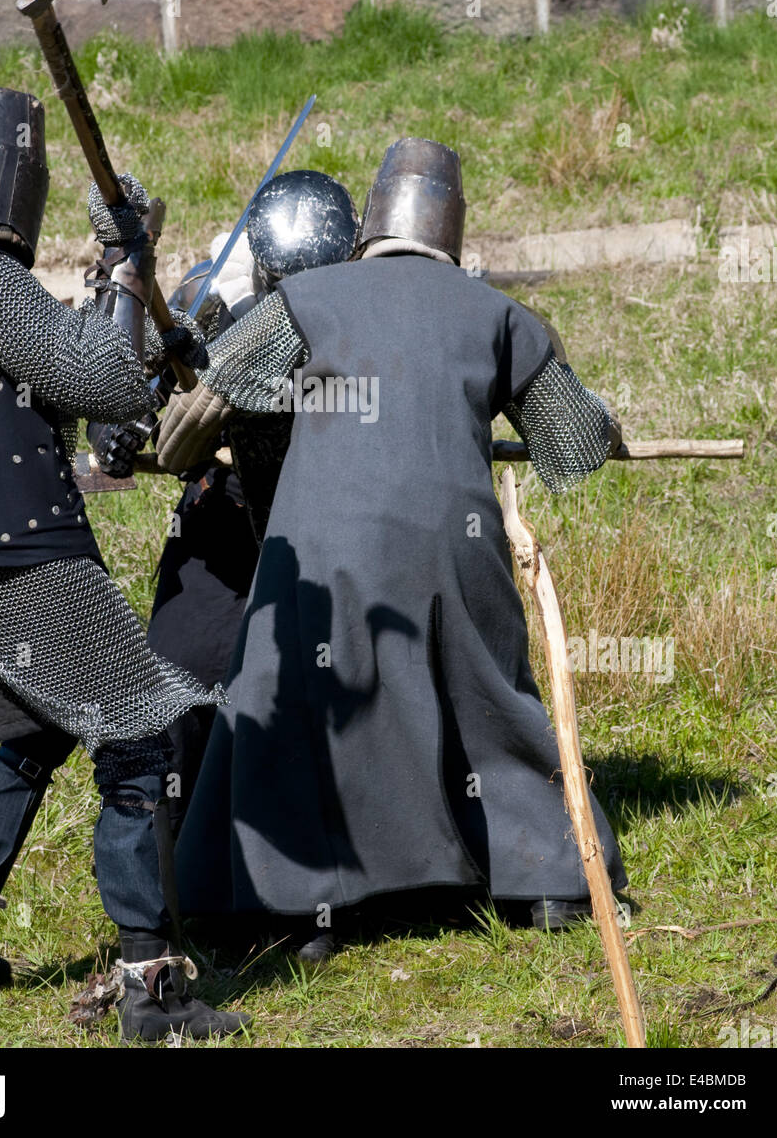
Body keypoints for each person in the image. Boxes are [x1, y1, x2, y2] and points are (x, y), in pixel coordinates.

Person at [158, 137, 627, 960]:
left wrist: (182, 443)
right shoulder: (498, 312)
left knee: (286, 694)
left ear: (368, 221)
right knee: (488, 691)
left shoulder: (306, 296)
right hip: (457, 547)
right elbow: (580, 444)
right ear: (453, 232)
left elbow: (195, 423)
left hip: (322, 542)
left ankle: (296, 906)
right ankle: (547, 881)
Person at [0, 84, 247, 1040]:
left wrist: (112, 345)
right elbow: (105, 376)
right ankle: (150, 985)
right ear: (14, 186)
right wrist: (124, 270)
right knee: (139, 741)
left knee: (36, 738)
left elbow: (16, 396)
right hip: (28, 555)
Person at [96, 172, 360, 837]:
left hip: (335, 530)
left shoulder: (373, 315)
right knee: (180, 679)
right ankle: (173, 852)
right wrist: (128, 421)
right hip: (225, 527)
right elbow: (130, 387)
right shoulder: (208, 299)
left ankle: (324, 860)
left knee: (331, 687)